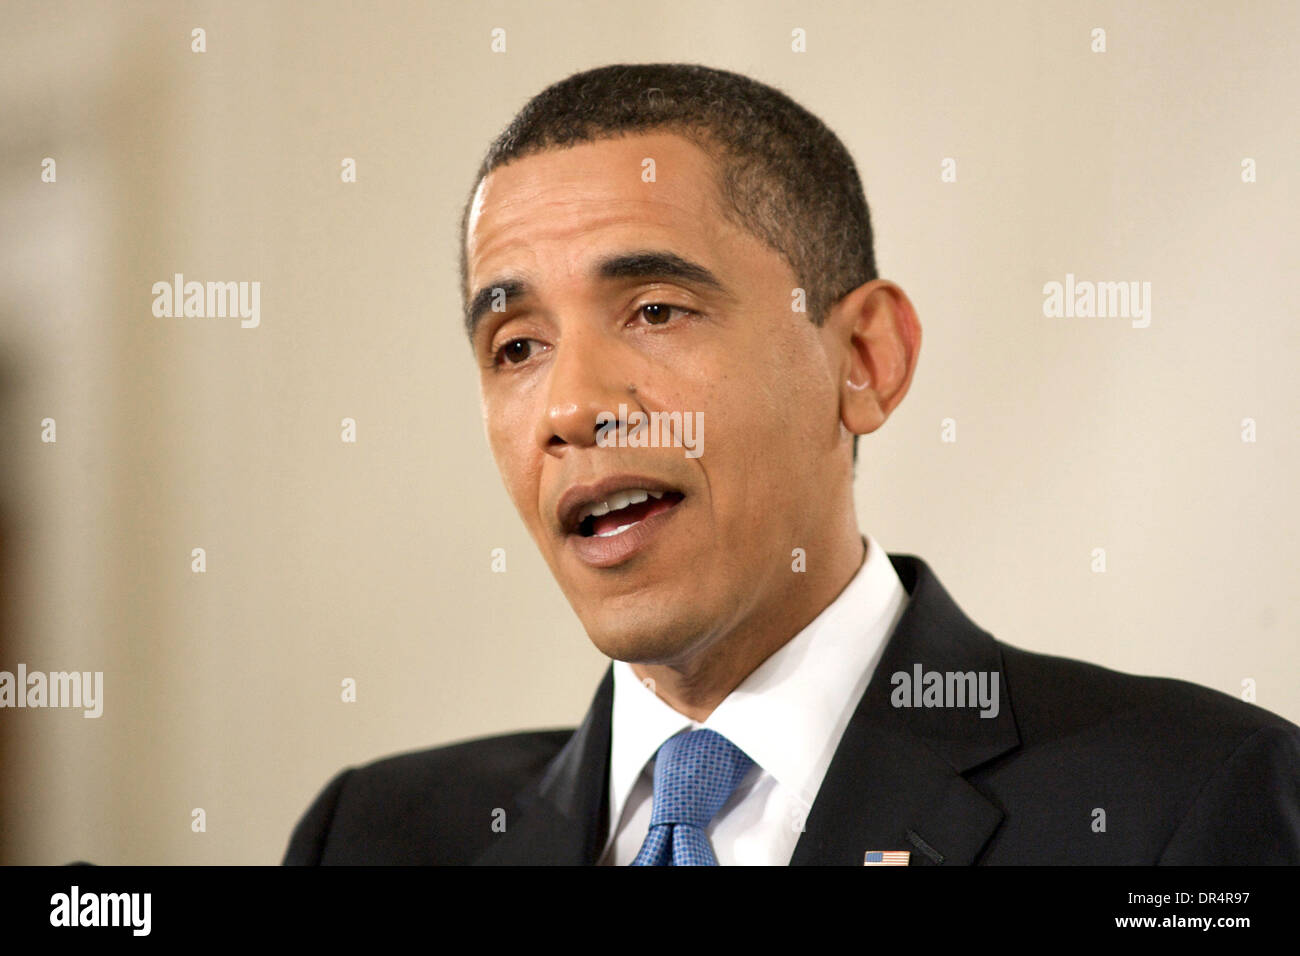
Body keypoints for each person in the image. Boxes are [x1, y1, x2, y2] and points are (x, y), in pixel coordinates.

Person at [283, 63, 1300, 865]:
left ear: (863, 359)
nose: (571, 406)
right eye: (516, 346)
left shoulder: (1181, 802)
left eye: (655, 311)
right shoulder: (372, 834)